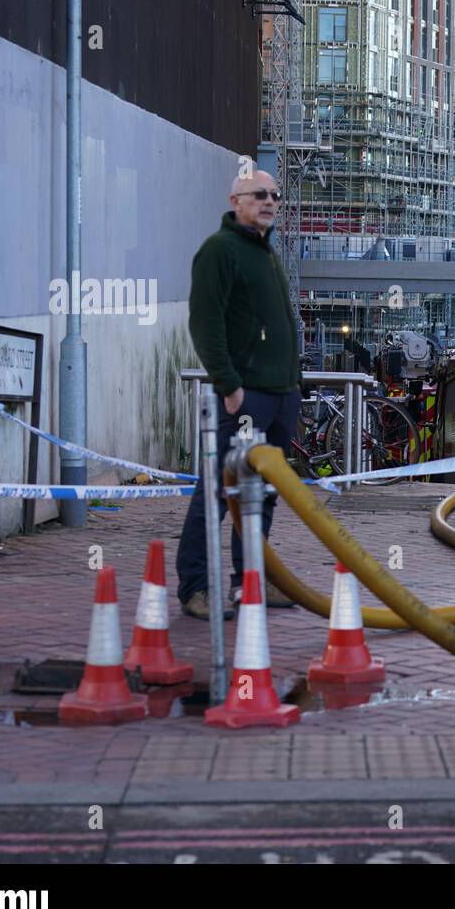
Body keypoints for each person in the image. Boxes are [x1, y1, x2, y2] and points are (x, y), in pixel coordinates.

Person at [176, 170, 303, 620]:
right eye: (259, 195)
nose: (270, 201)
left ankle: (248, 579)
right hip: (247, 397)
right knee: (217, 490)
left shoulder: (265, 251)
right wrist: (230, 387)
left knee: (261, 492)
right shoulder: (219, 251)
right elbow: (205, 323)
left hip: (280, 394)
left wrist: (292, 385)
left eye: (275, 195)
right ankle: (194, 586)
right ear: (235, 201)